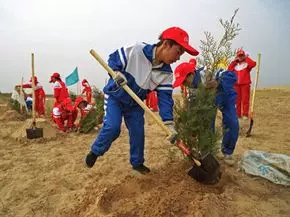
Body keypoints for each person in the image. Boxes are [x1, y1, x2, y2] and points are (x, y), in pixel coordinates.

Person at [85, 27, 199, 174]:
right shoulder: (136, 50)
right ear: (165, 44)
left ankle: (137, 163)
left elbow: (165, 99)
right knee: (113, 128)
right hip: (116, 96)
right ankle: (95, 151)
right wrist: (117, 73)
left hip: (135, 103)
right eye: (178, 52)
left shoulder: (166, 74)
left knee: (138, 131)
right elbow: (113, 59)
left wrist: (169, 124)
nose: (178, 58)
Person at [173, 59, 239, 166]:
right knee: (206, 125)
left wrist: (218, 82)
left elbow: (232, 76)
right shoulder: (192, 91)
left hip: (225, 95)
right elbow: (193, 109)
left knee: (232, 123)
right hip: (209, 102)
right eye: (182, 83)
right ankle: (210, 152)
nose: (184, 84)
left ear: (192, 74)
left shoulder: (207, 72)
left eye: (184, 81)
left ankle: (227, 152)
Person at [228, 49, 256, 119]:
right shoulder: (235, 65)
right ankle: (238, 114)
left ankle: (245, 114)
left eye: (241, 55)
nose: (240, 57)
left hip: (245, 84)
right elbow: (229, 69)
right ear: (237, 56)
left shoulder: (247, 64)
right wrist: (235, 61)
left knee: (245, 99)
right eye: (239, 56)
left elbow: (253, 64)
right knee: (237, 100)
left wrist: (246, 57)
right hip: (236, 85)